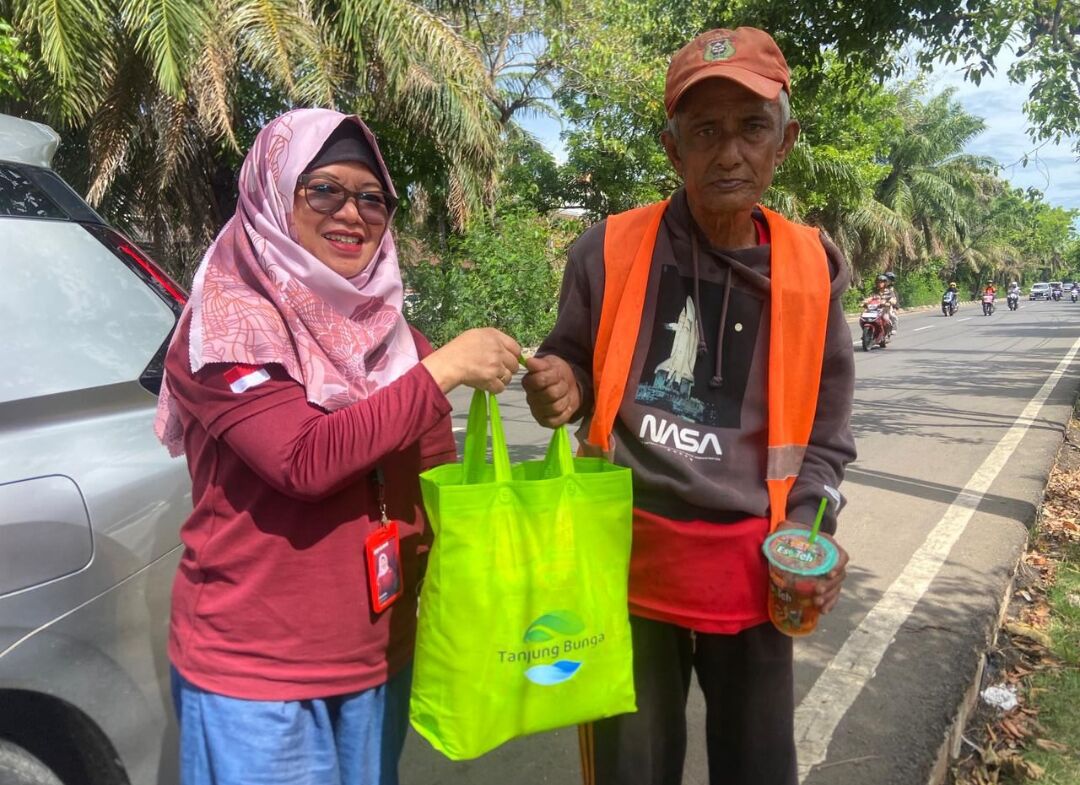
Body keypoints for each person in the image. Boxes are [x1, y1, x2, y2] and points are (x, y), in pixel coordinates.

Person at [522, 27, 855, 785]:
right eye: (704, 131)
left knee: (758, 768)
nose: (728, 152)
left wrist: (810, 538)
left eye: (750, 128)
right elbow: (568, 363)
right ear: (673, 151)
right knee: (631, 771)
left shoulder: (812, 269)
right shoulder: (605, 250)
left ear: (785, 142)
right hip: (625, 571)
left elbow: (827, 441)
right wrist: (561, 388)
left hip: (754, 577)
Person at [154, 108, 521, 785]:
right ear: (273, 191)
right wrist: (442, 371)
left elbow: (433, 472)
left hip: (379, 659)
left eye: (372, 197)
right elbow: (304, 457)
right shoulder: (227, 325)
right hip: (258, 679)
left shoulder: (392, 335)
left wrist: (553, 384)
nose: (352, 212)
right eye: (323, 189)